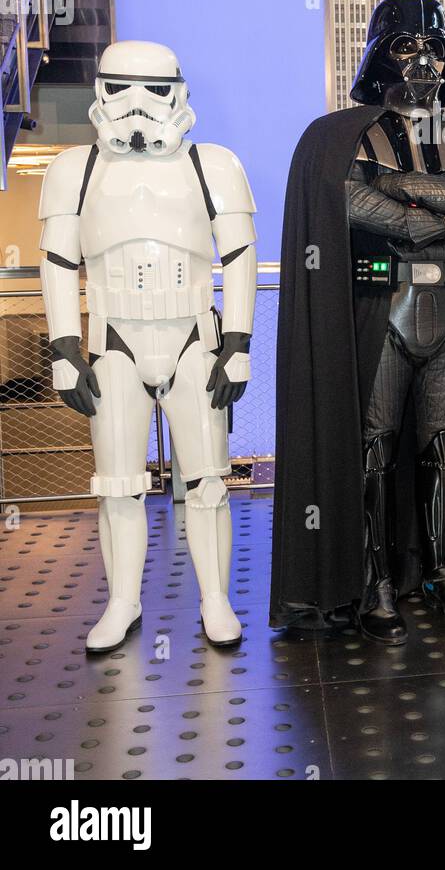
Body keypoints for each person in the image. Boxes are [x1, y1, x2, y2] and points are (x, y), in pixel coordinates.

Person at [270, 0, 445, 643]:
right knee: (372, 451)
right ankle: (374, 581)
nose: (423, 60)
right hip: (380, 311)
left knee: (444, 451)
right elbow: (345, 201)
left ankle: (442, 569)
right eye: (407, 47)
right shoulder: (337, 135)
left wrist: (410, 188)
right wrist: (424, 216)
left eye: (433, 47)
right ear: (378, 54)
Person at [38, 40, 257, 651]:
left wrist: (237, 341)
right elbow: (56, 262)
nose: (137, 107)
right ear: (102, 90)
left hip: (192, 338)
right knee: (117, 483)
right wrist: (63, 349)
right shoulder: (73, 170)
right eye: (123, 89)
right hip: (113, 342)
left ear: (178, 92)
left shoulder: (211, 166)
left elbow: (239, 256)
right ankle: (123, 601)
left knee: (208, 481)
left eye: (153, 90)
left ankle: (215, 599)